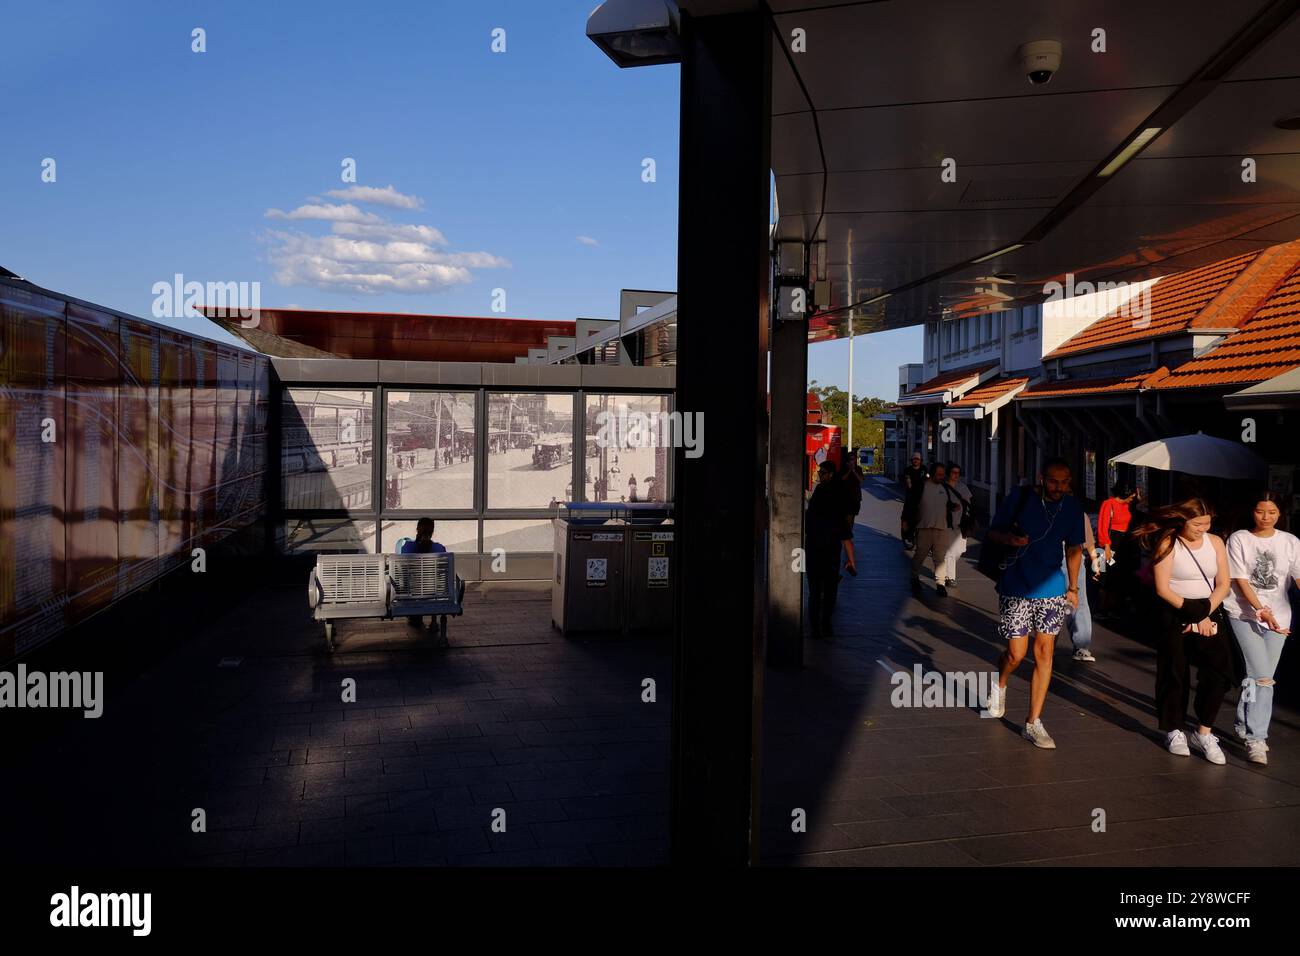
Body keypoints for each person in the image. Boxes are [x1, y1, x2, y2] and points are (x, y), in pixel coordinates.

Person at [983, 458, 1085, 749]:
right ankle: (1000, 683)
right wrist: (1010, 539)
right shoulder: (1021, 497)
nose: (1059, 488)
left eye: (1065, 483)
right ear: (1042, 478)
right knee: (1016, 653)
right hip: (1016, 583)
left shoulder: (1072, 507)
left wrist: (1073, 587)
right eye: (1054, 481)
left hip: (1052, 588)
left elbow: (1075, 548)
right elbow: (993, 532)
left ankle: (1033, 722)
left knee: (1045, 652)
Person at [1134, 499, 1234, 764]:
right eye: (1197, 524)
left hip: (1209, 610)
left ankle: (1203, 731)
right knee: (1174, 672)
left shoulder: (1215, 542)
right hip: (1174, 611)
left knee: (1219, 672)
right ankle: (1174, 729)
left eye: (1207, 523)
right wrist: (1195, 614)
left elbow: (1224, 583)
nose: (1203, 528)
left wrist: (1205, 612)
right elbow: (1162, 588)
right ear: (1182, 521)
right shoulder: (1168, 543)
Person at [1223, 491, 1300, 765]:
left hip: (1279, 617)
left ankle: (1243, 723)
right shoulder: (1240, 539)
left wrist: (1272, 613)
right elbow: (1241, 580)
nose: (1265, 517)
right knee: (1264, 677)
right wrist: (1260, 610)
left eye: (1272, 512)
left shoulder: (1291, 542)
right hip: (1244, 614)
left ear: (1281, 514)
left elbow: (1298, 577)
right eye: (1260, 511)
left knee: (1256, 675)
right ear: (1251, 511)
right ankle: (1257, 739)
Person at [806, 460, 854, 639]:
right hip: (827, 552)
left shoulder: (824, 496)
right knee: (827, 592)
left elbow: (844, 533)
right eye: (820, 472)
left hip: (819, 552)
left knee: (816, 592)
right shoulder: (831, 496)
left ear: (831, 474)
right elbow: (846, 535)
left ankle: (818, 627)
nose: (820, 475)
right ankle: (823, 625)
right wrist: (851, 560)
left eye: (823, 473)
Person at [1064, 490, 1102, 662]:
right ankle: (1081, 646)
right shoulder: (1080, 513)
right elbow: (1089, 542)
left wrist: (1094, 561)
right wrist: (1095, 562)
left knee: (1054, 602)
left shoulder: (1047, 512)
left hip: (1066, 558)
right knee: (1079, 601)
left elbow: (1088, 540)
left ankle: (1047, 642)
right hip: (1074, 558)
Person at [910, 463, 954, 597]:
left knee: (940, 558)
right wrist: (906, 521)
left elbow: (947, 504)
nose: (942, 477)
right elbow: (911, 503)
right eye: (939, 474)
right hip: (924, 527)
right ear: (932, 473)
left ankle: (940, 584)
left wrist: (953, 507)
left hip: (941, 528)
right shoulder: (921, 486)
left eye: (943, 474)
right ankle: (914, 577)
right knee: (920, 555)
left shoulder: (945, 488)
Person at [400, 517, 448, 628]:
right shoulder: (440, 549)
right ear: (432, 531)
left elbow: (402, 571)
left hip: (411, 593)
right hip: (435, 592)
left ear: (417, 530)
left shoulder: (407, 548)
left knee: (413, 581)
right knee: (433, 582)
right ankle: (434, 621)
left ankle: (415, 616)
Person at [1098, 483, 1138, 615]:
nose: (1132, 499)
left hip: (1124, 541)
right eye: (1131, 496)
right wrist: (1106, 546)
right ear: (1125, 494)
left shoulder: (1127, 505)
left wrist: (1138, 494)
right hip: (1112, 540)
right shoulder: (1108, 504)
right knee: (1107, 573)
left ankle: (1113, 607)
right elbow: (1103, 525)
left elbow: (1140, 504)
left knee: (1119, 575)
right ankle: (1102, 608)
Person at [942, 463, 973, 586]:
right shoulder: (943, 487)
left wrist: (968, 514)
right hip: (947, 523)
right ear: (949, 473)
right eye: (953, 472)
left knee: (959, 550)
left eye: (958, 473)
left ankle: (945, 568)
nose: (956, 475)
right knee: (950, 551)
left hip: (962, 523)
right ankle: (950, 577)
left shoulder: (963, 487)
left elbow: (969, 504)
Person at [900, 453, 927, 549]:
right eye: (914, 459)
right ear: (911, 460)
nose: (915, 460)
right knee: (907, 517)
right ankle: (906, 535)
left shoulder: (924, 469)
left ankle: (919, 538)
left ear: (921, 460)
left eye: (917, 459)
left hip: (922, 498)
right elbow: (908, 481)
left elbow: (927, 480)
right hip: (910, 498)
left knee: (920, 518)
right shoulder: (908, 470)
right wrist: (910, 486)